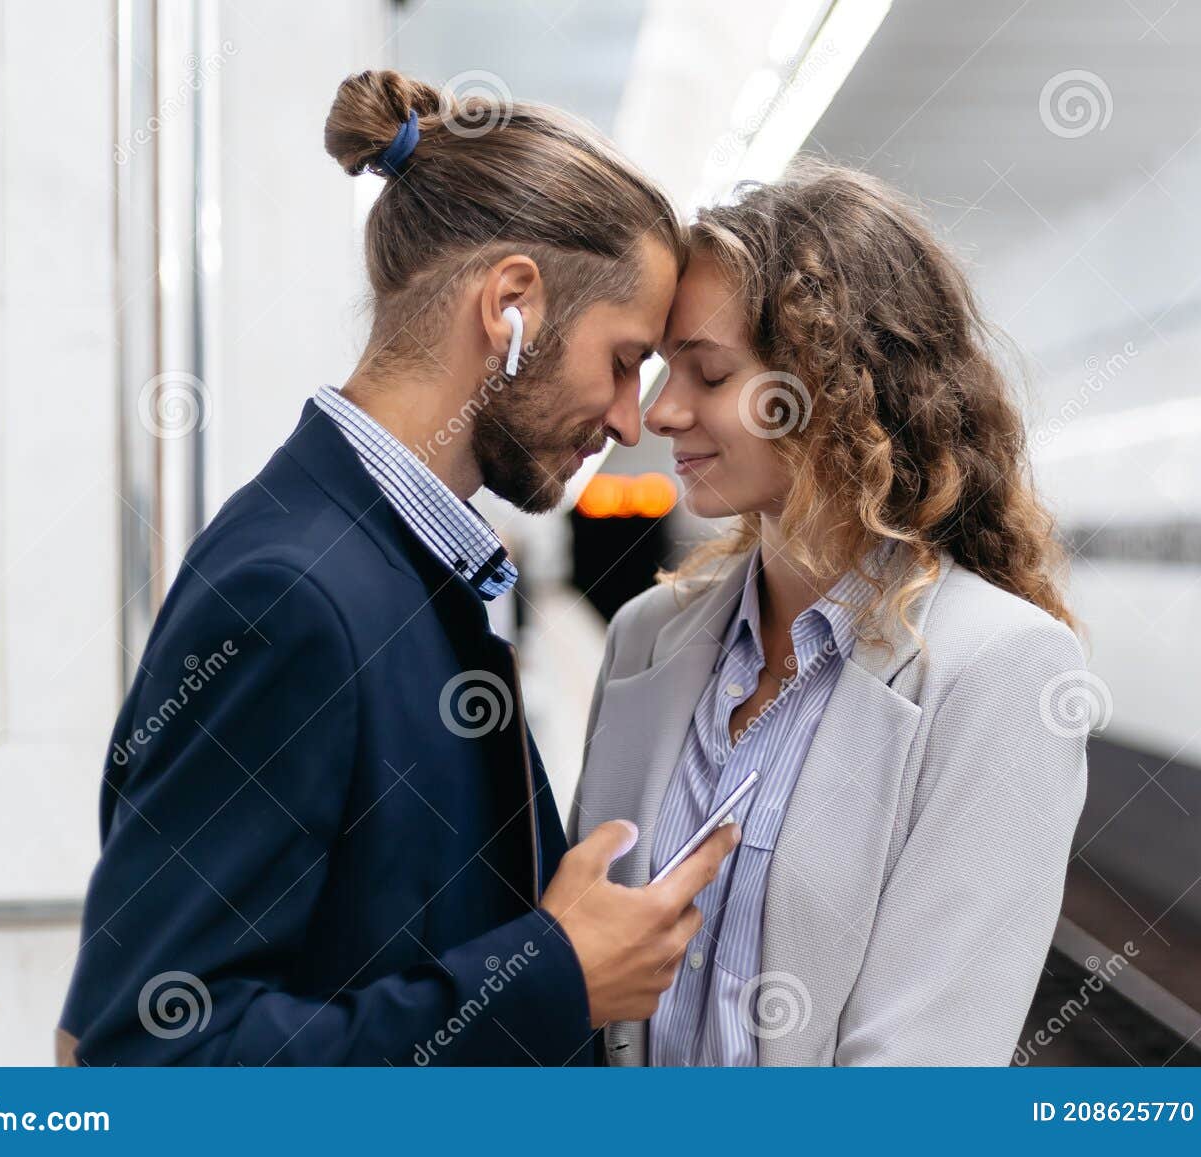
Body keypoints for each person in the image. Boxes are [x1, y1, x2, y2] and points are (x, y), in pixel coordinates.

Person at [58, 69, 737, 1067]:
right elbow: (151, 1058)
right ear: (511, 304)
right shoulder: (294, 594)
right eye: (623, 359)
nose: (628, 419)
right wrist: (551, 978)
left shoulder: (399, 565)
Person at [570, 161, 1092, 1066]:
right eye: (662, 370)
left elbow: (924, 1068)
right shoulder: (644, 639)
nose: (661, 410)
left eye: (708, 371)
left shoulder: (1001, 668)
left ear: (833, 386)